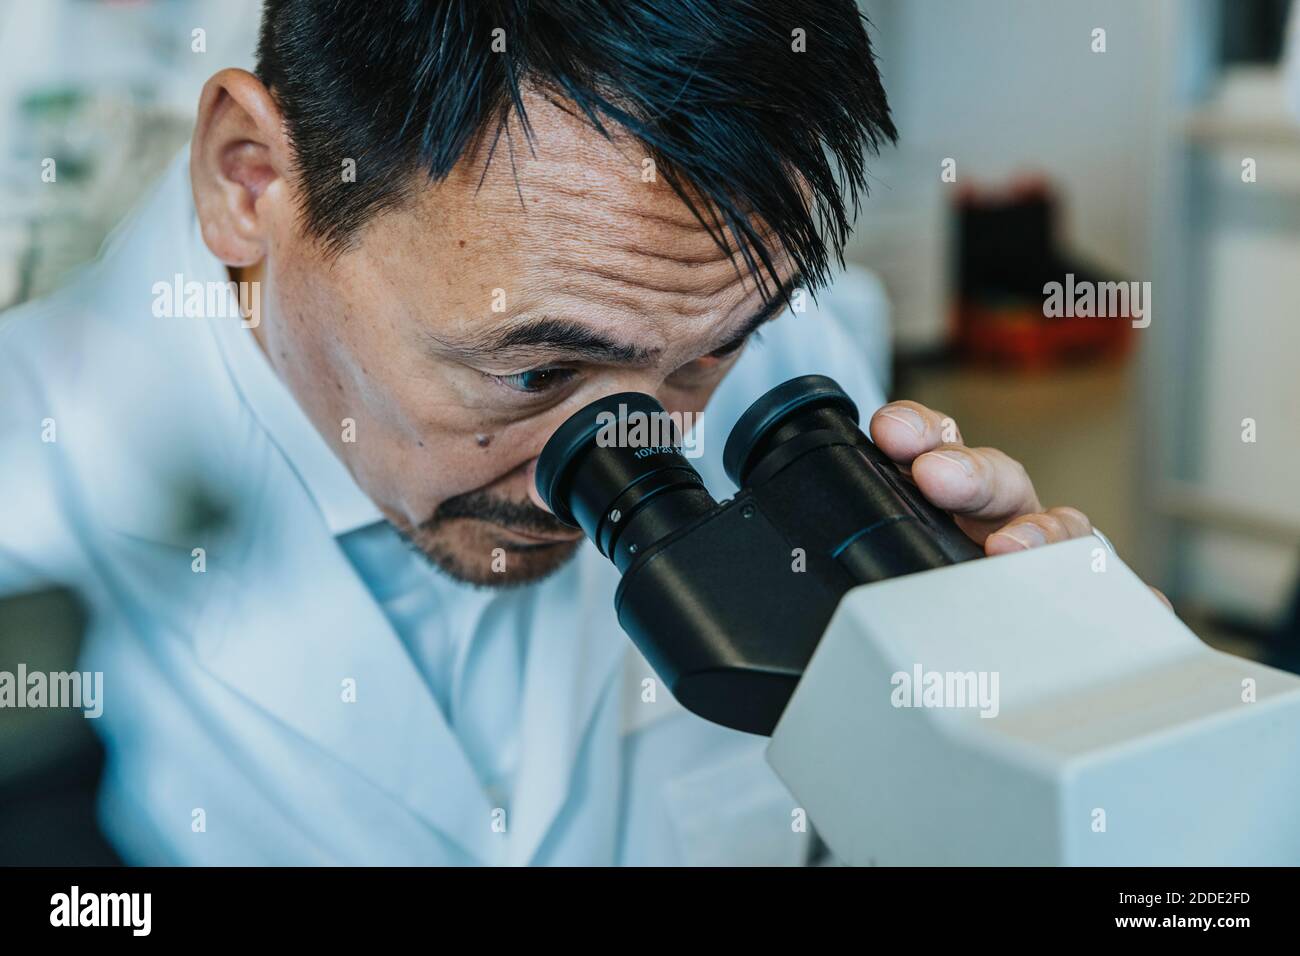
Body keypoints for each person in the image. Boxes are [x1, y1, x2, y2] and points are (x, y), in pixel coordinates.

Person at [0, 0, 1108, 865]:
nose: (635, 451)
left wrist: (1058, 721)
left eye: (703, 358)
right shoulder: (55, 442)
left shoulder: (745, 321)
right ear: (252, 180)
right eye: (535, 368)